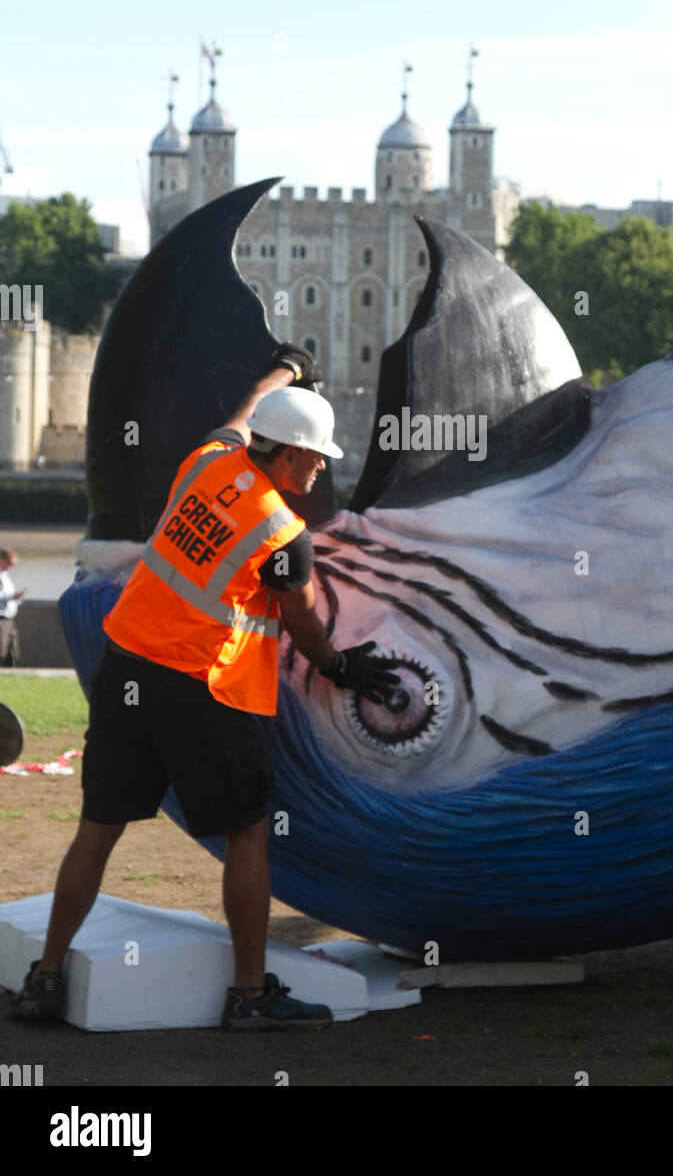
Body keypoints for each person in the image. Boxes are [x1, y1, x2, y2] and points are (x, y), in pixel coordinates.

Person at [8, 348, 400, 1030]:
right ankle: (250, 997)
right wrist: (338, 668)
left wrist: (286, 370)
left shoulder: (206, 463)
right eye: (313, 456)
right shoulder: (283, 532)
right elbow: (303, 620)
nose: (320, 467)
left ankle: (44, 979)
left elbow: (240, 416)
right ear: (285, 456)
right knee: (248, 835)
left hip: (127, 668)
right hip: (203, 688)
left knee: (97, 831)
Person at [0, 549, 26, 667]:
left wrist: (17, 598)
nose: (12, 566)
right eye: (10, 563)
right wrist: (13, 596)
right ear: (2, 559)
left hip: (9, 619)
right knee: (2, 651)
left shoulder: (5, 576)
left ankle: (9, 674)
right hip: (1, 619)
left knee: (13, 652)